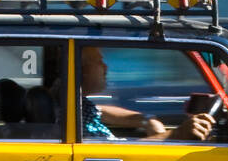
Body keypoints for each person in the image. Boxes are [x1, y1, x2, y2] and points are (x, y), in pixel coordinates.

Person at [77, 46, 220, 141]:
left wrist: (147, 120)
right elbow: (111, 155)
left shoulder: (76, 104)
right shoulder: (68, 117)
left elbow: (100, 110)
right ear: (81, 70)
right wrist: (178, 134)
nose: (105, 67)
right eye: (98, 62)